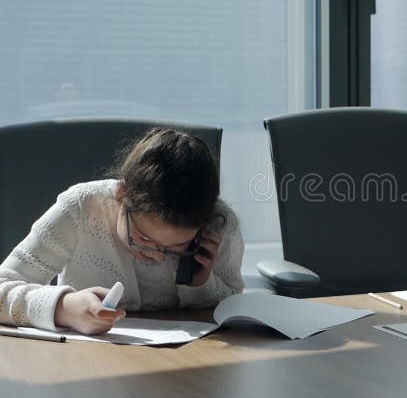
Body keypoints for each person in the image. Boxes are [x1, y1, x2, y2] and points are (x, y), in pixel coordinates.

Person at [0, 128, 244, 335]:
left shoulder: (220, 225)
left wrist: (202, 284)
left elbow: (235, 305)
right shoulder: (82, 207)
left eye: (176, 248)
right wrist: (62, 307)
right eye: (142, 238)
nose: (156, 256)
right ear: (121, 195)